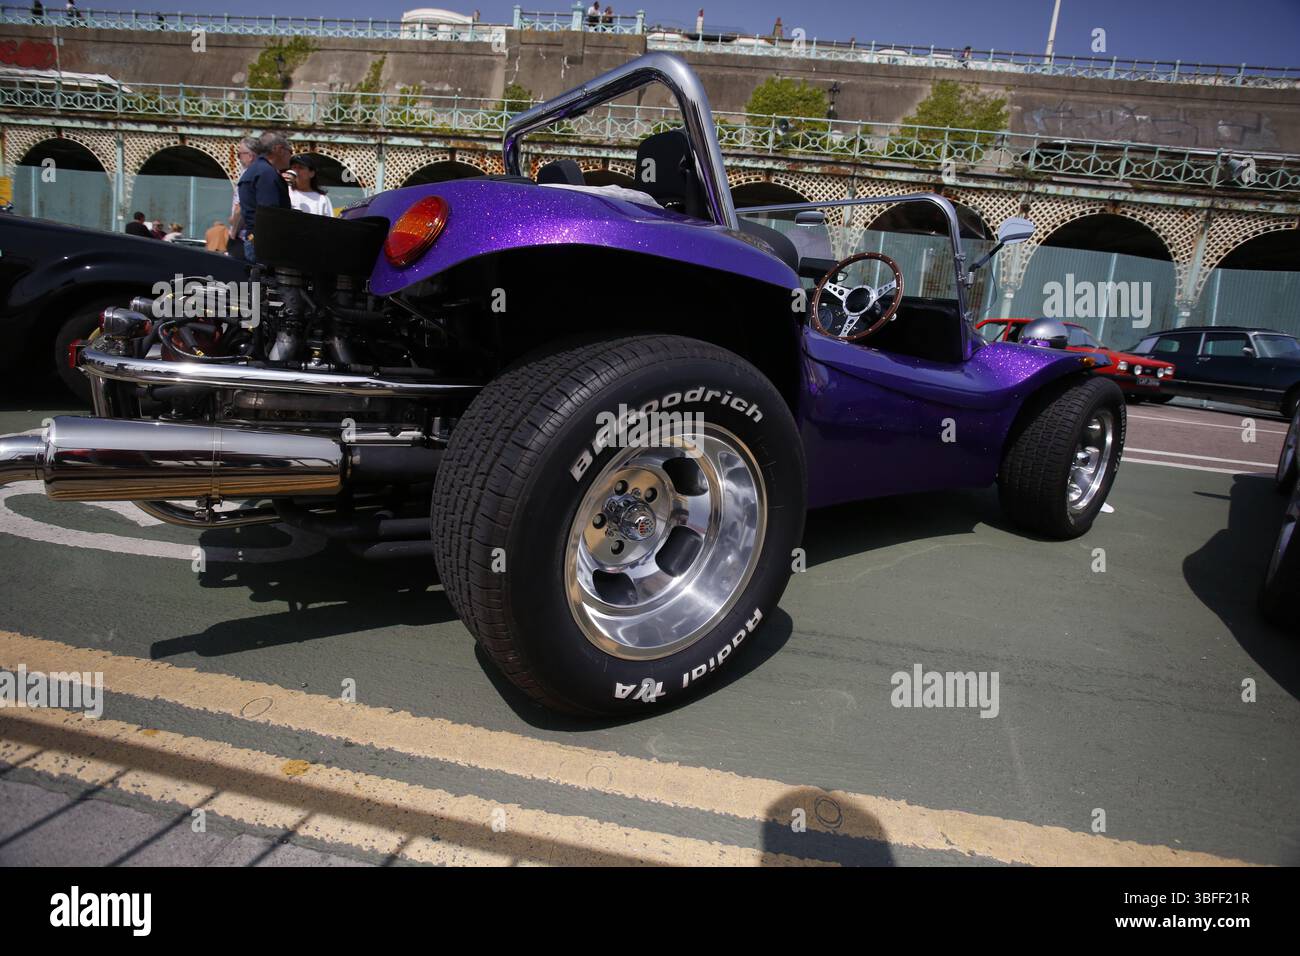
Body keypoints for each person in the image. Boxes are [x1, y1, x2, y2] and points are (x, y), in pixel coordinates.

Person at [236, 131, 292, 262]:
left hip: (254, 240)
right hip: (265, 244)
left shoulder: (255, 170)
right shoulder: (267, 174)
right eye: (290, 150)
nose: (291, 155)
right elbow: (269, 214)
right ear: (278, 149)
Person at [228, 136, 258, 261]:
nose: (238, 158)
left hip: (241, 238)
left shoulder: (247, 176)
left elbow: (241, 208)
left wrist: (233, 233)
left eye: (239, 154)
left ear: (250, 156)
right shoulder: (262, 173)